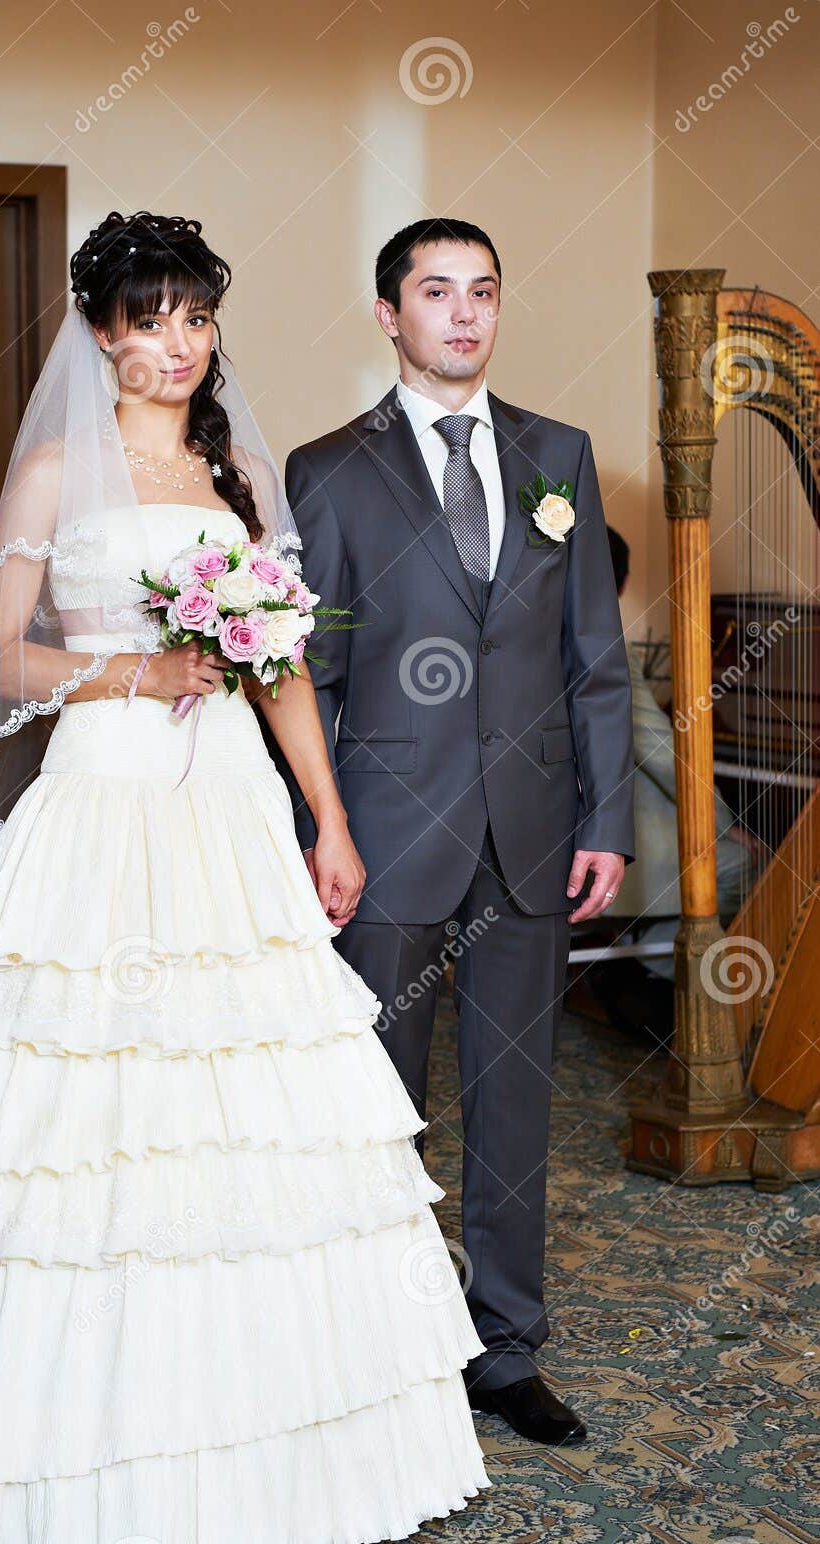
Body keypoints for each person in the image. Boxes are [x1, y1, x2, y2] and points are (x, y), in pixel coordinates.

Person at [0, 212, 490, 1544]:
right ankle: (46, 1434)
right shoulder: (48, 468)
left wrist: (326, 818)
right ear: (100, 333)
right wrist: (128, 673)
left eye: (195, 319)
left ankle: (264, 1438)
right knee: (73, 1108)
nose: (175, 345)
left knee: (246, 1108)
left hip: (223, 807)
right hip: (99, 792)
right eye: (148, 320)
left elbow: (276, 669)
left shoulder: (241, 476)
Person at [261, 218, 635, 1448]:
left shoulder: (556, 456)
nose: (463, 315)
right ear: (387, 314)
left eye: (481, 291)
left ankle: (503, 1348)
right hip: (381, 837)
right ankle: (367, 1345)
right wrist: (320, 828)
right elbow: (303, 672)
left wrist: (606, 818)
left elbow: (592, 658)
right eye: (435, 293)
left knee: (515, 1102)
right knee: (373, 1103)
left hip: (532, 834)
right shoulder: (325, 470)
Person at [600, 525, 755, 1009]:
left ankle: (643, 965)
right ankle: (660, 981)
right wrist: (724, 824)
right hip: (598, 849)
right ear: (623, 585)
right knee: (744, 864)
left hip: (544, 834)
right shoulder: (605, 644)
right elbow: (657, 749)